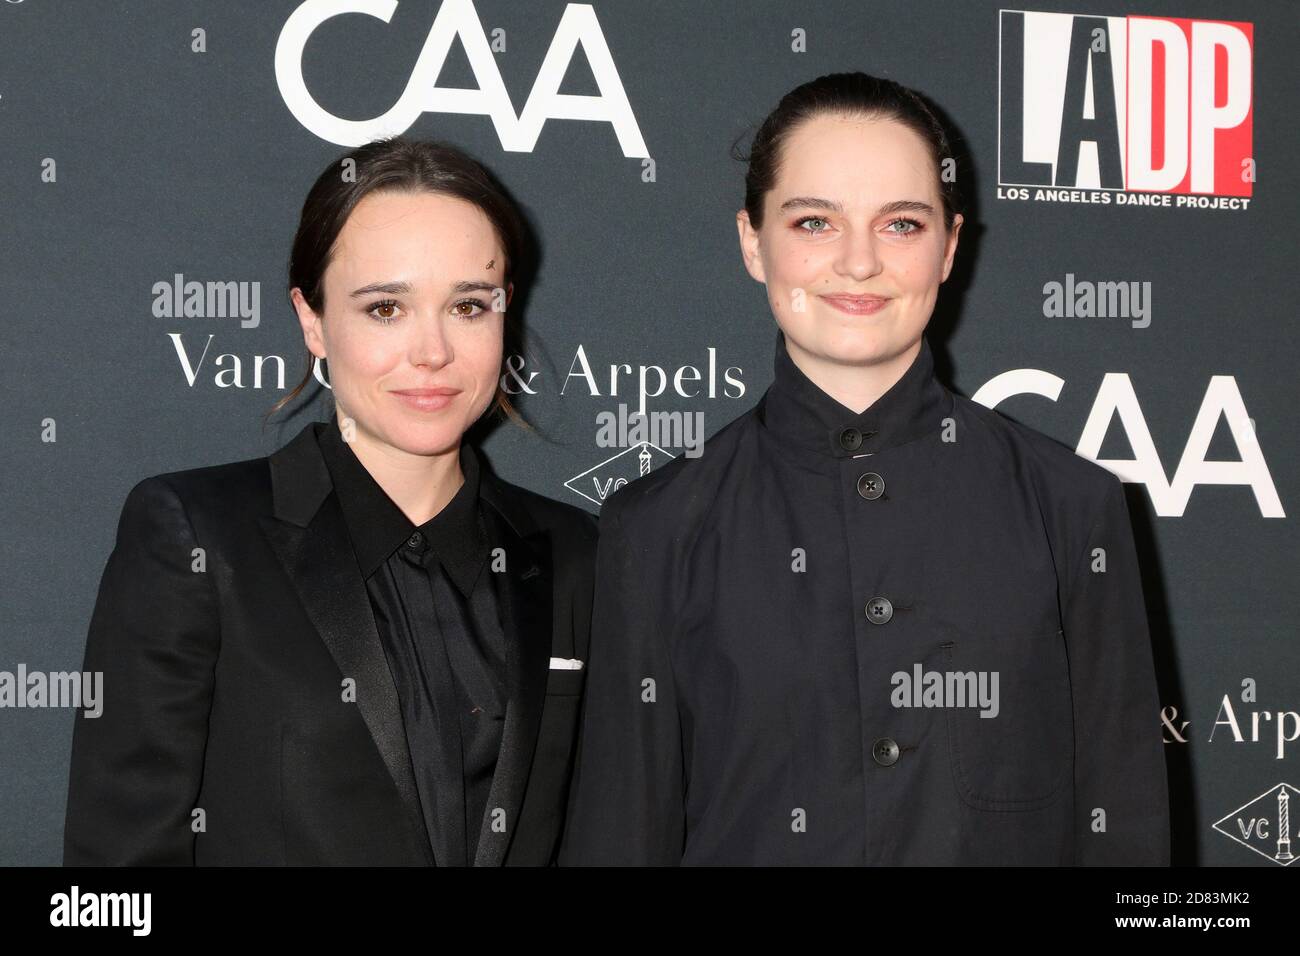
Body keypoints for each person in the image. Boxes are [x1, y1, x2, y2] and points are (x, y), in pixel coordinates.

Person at [559, 73, 1169, 865]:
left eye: (901, 224)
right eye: (815, 221)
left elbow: (1127, 837)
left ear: (948, 247)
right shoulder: (657, 526)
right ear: (753, 241)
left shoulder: (1072, 506)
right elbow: (622, 837)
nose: (857, 262)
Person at [63, 137, 596, 866]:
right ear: (312, 319)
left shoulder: (578, 554)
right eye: (385, 308)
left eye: (468, 305)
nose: (433, 351)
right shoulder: (198, 538)